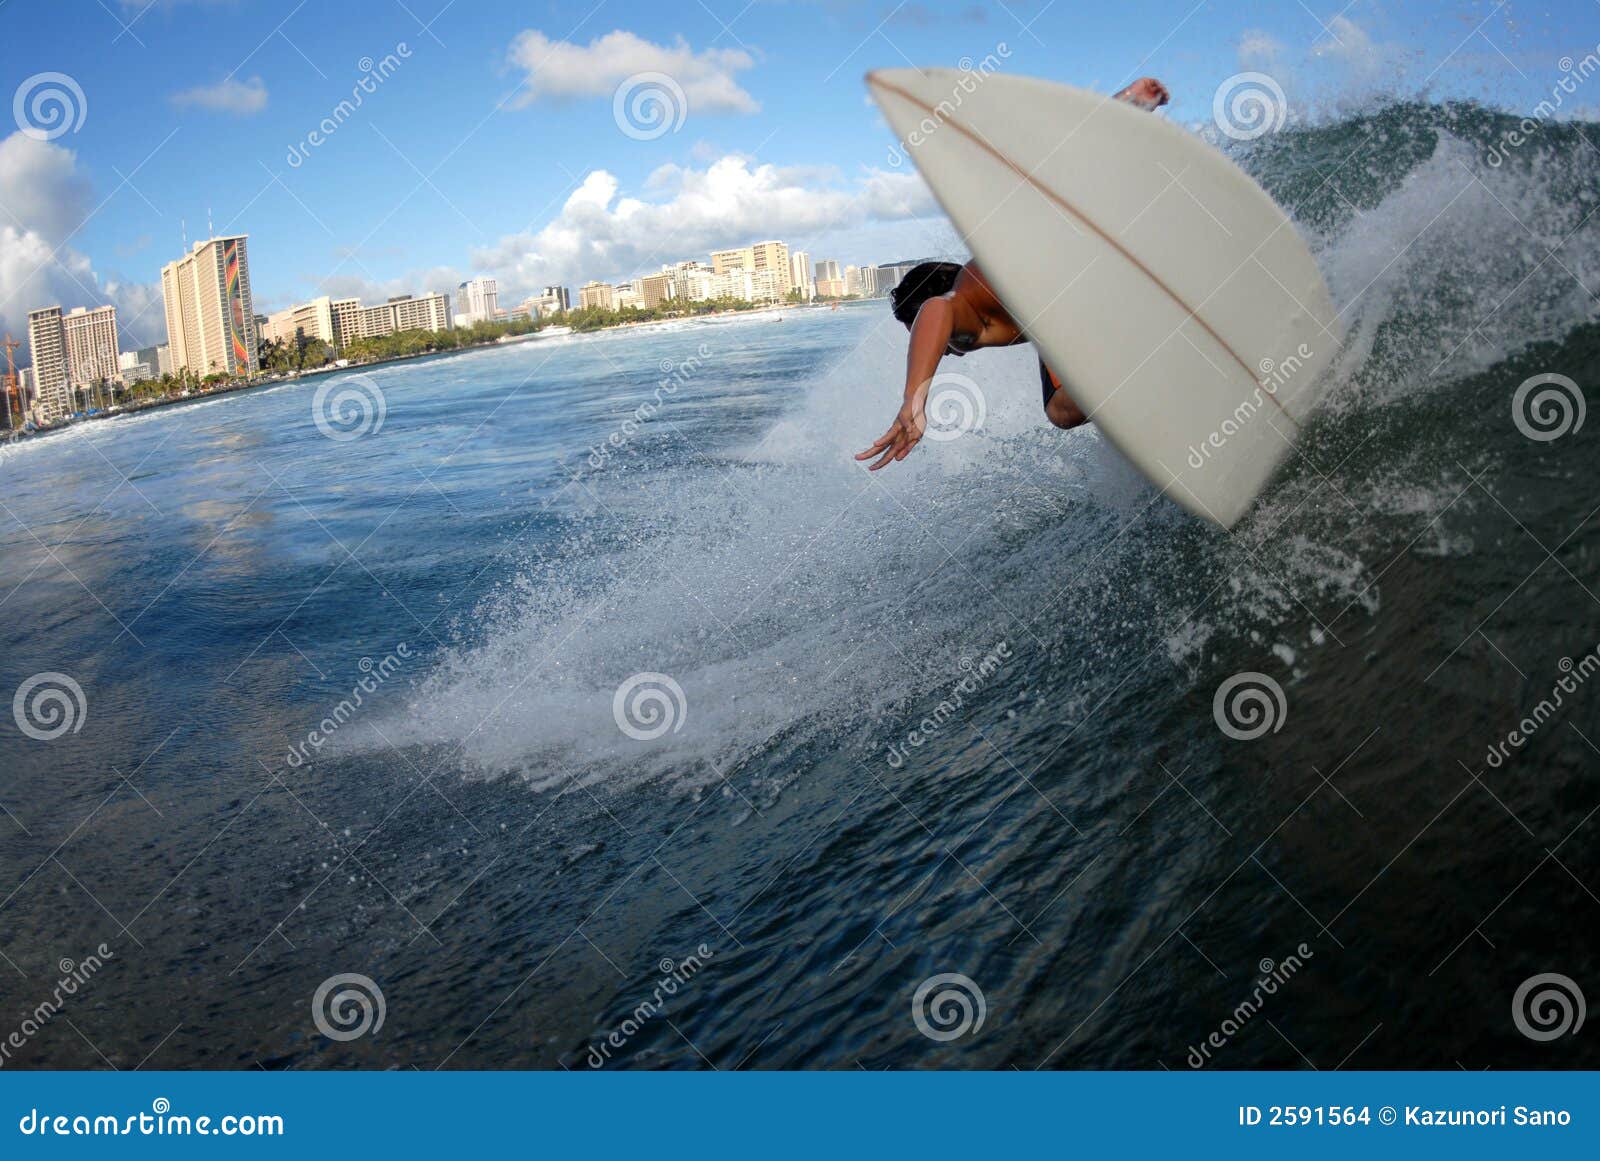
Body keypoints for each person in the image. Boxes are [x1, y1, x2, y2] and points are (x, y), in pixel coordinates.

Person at [856, 77, 1171, 471]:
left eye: (923, 336)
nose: (945, 353)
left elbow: (936, 310)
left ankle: (1147, 375)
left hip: (1084, 280)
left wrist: (913, 400)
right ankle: (1126, 107)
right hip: (1097, 249)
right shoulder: (993, 268)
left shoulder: (965, 309)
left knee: (1059, 410)